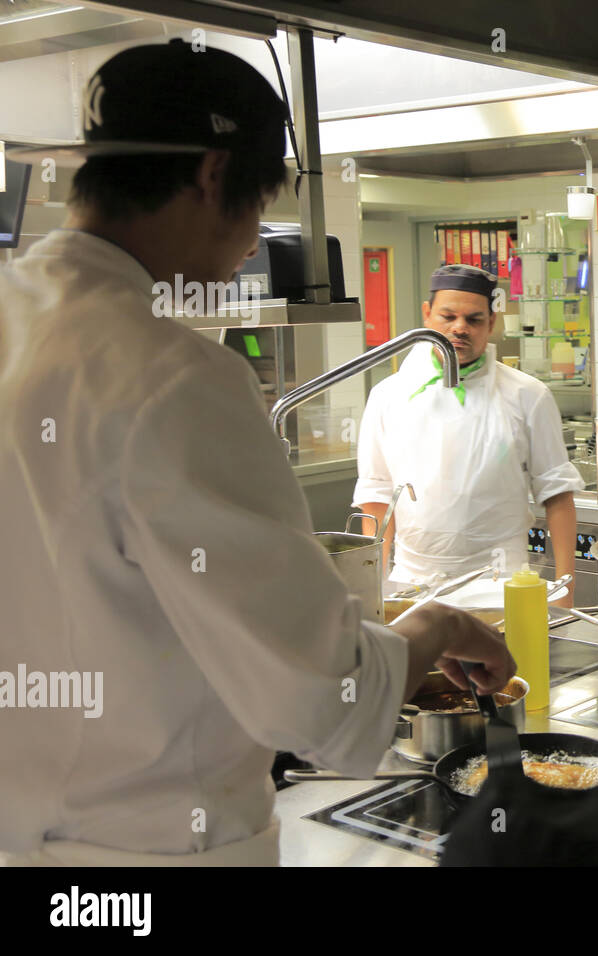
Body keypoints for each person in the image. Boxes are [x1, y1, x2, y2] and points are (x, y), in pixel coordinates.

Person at [0, 41, 512, 866]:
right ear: (212, 176)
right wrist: (436, 624)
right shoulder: (171, 375)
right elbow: (322, 698)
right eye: (259, 202)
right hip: (151, 854)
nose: (253, 239)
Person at [353, 264, 583, 593]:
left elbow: (558, 496)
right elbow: (376, 495)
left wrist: (565, 591)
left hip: (501, 584)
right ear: (427, 315)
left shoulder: (527, 395)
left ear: (491, 323)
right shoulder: (388, 395)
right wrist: (372, 584)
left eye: (474, 319)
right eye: (448, 317)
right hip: (411, 581)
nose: (460, 328)